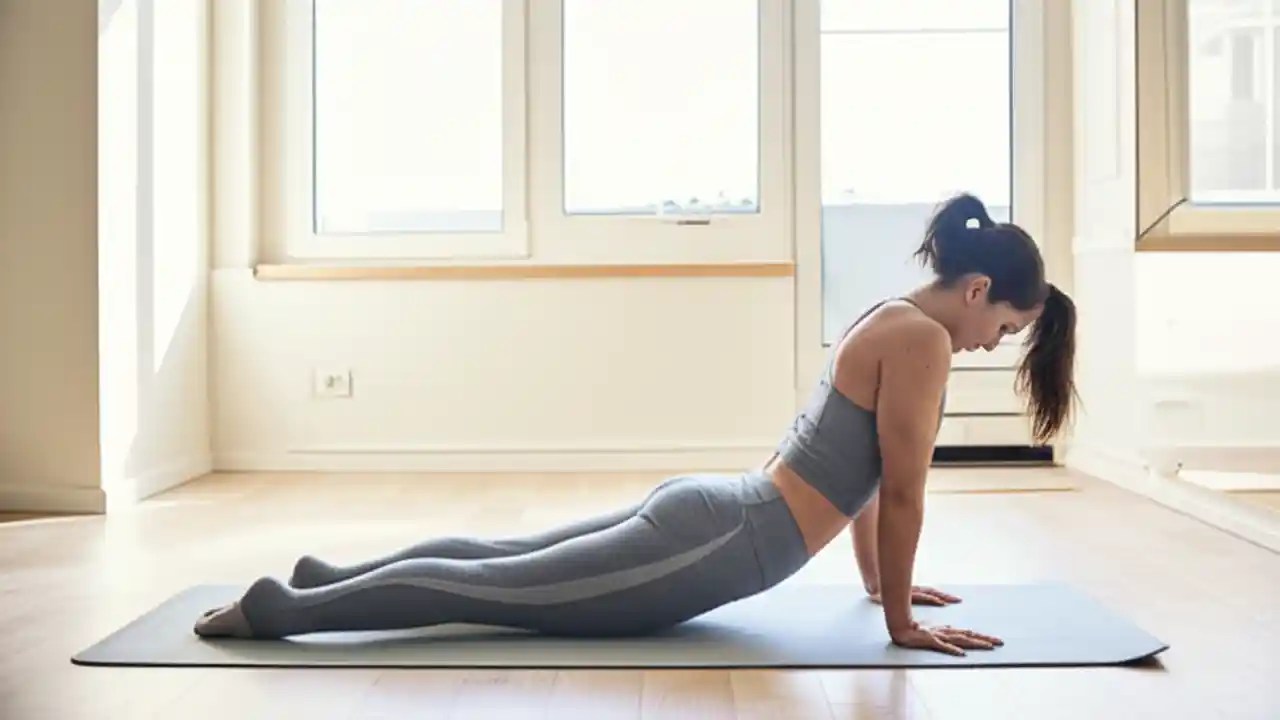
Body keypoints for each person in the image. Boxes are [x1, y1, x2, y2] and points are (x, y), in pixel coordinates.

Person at [195, 193, 1077, 657]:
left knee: (503, 562)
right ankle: (286, 610)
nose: (988, 347)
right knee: (495, 594)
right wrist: (899, 628)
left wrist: (886, 590)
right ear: (975, 292)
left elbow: (871, 485)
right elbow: (908, 493)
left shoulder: (889, 316)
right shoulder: (923, 342)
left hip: (713, 511)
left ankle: (329, 576)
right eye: (1000, 329)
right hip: (719, 544)